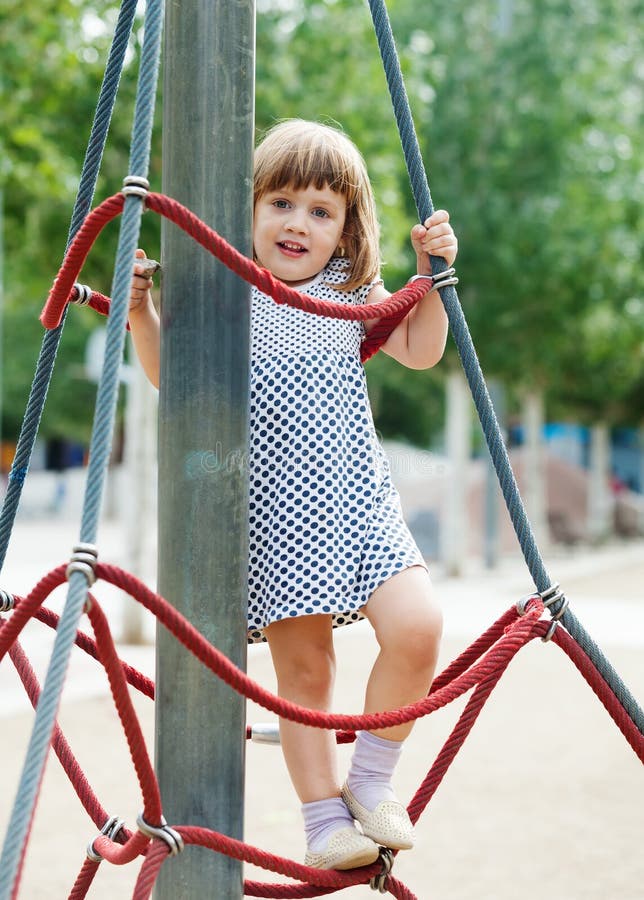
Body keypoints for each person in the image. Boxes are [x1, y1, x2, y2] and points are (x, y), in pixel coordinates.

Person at [129, 119, 457, 871]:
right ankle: (320, 820)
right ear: (248, 209)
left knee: (419, 627)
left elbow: (419, 349)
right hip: (276, 513)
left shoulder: (351, 289)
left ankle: (371, 783)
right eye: (280, 202)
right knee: (305, 675)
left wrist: (431, 277)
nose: (297, 223)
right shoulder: (227, 292)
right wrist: (144, 309)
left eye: (320, 211)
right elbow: (165, 375)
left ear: (346, 229)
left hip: (359, 500)